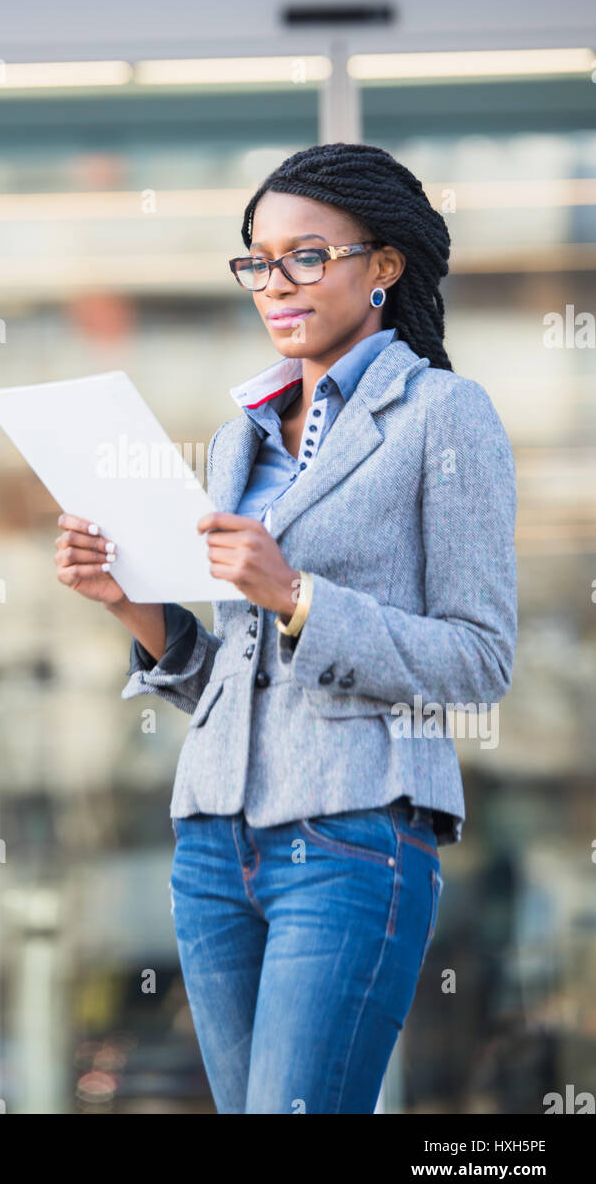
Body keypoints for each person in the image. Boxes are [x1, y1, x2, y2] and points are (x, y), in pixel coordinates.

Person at [53, 142, 518, 1113]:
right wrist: (132, 605)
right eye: (258, 260)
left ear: (383, 265)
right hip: (215, 840)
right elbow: (236, 673)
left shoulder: (443, 414)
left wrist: (297, 593)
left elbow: (479, 657)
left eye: (307, 255)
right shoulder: (239, 438)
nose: (276, 282)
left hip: (352, 830)